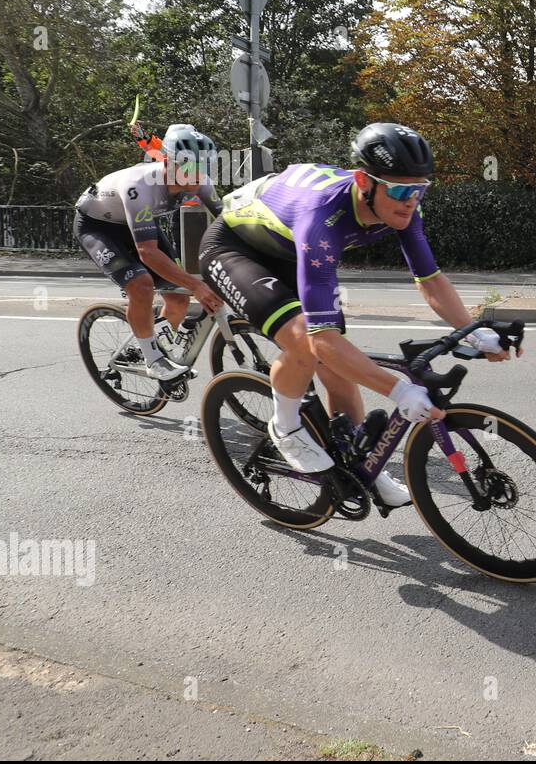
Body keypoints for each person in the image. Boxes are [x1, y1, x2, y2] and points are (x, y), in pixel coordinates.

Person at [197, 122, 512, 508]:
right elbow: (321, 341)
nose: (410, 200)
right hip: (235, 248)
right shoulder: (323, 215)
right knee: (306, 342)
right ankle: (285, 427)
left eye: (419, 189)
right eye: (399, 189)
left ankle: (364, 466)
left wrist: (473, 332)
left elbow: (429, 280)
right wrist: (399, 391)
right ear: (364, 181)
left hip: (292, 253)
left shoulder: (403, 206)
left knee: (341, 372)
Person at [74, 124, 225, 380]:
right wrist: (198, 286)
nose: (197, 176)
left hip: (137, 222)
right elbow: (147, 253)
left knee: (178, 299)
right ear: (168, 163)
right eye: (189, 167)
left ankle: (152, 345)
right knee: (141, 284)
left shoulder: (200, 181)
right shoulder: (139, 186)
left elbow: (227, 222)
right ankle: (153, 359)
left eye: (203, 168)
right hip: (99, 226)